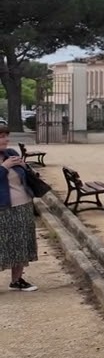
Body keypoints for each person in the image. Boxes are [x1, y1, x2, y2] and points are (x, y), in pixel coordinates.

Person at [0, 125, 38, 292]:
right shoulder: (6, 160)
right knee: (3, 244)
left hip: (23, 204)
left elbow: (26, 177)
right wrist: (4, 167)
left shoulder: (11, 154)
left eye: (6, 136)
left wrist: (24, 167)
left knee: (22, 242)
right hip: (3, 208)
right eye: (1, 137)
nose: (6, 140)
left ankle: (17, 280)